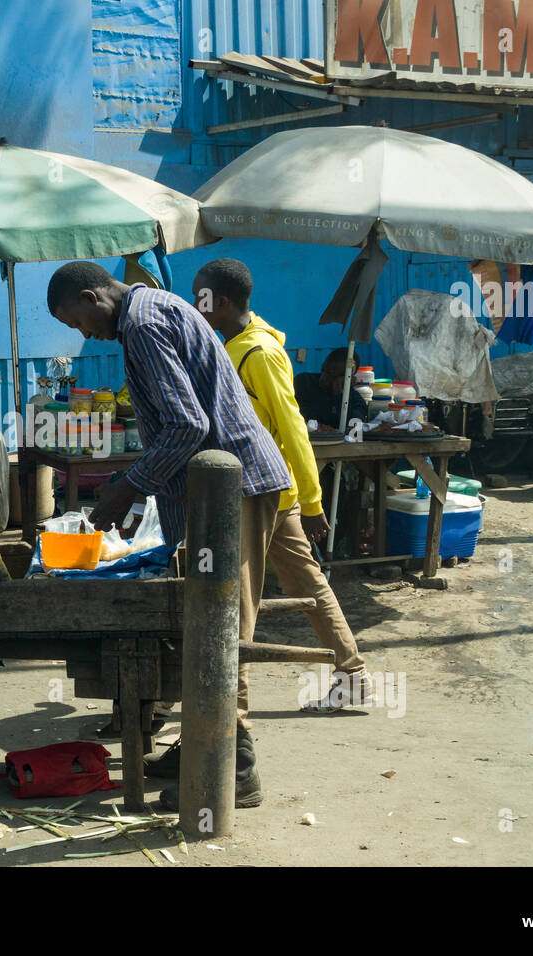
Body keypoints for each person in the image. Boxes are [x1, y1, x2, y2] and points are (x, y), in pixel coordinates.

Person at [46, 261, 293, 809]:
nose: (84, 334)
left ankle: (235, 767)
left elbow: (188, 426)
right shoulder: (153, 309)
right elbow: (178, 426)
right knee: (199, 620)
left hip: (234, 487)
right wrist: (131, 484)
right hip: (210, 492)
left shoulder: (143, 324)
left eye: (77, 321)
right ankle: (203, 742)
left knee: (221, 627)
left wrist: (129, 486)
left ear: (92, 296)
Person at [190, 258, 373, 718]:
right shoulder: (235, 345)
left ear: (224, 301)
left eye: (202, 299)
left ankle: (232, 713)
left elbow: (293, 431)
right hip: (265, 492)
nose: (196, 306)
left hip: (261, 495)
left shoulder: (259, 354)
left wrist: (312, 501)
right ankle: (353, 676)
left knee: (238, 600)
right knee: (307, 583)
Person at [294, 348, 367, 428]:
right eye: (323, 370)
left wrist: (339, 396)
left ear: (346, 378)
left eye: (331, 374)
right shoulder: (304, 382)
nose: (323, 377)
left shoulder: (355, 401)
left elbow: (353, 430)